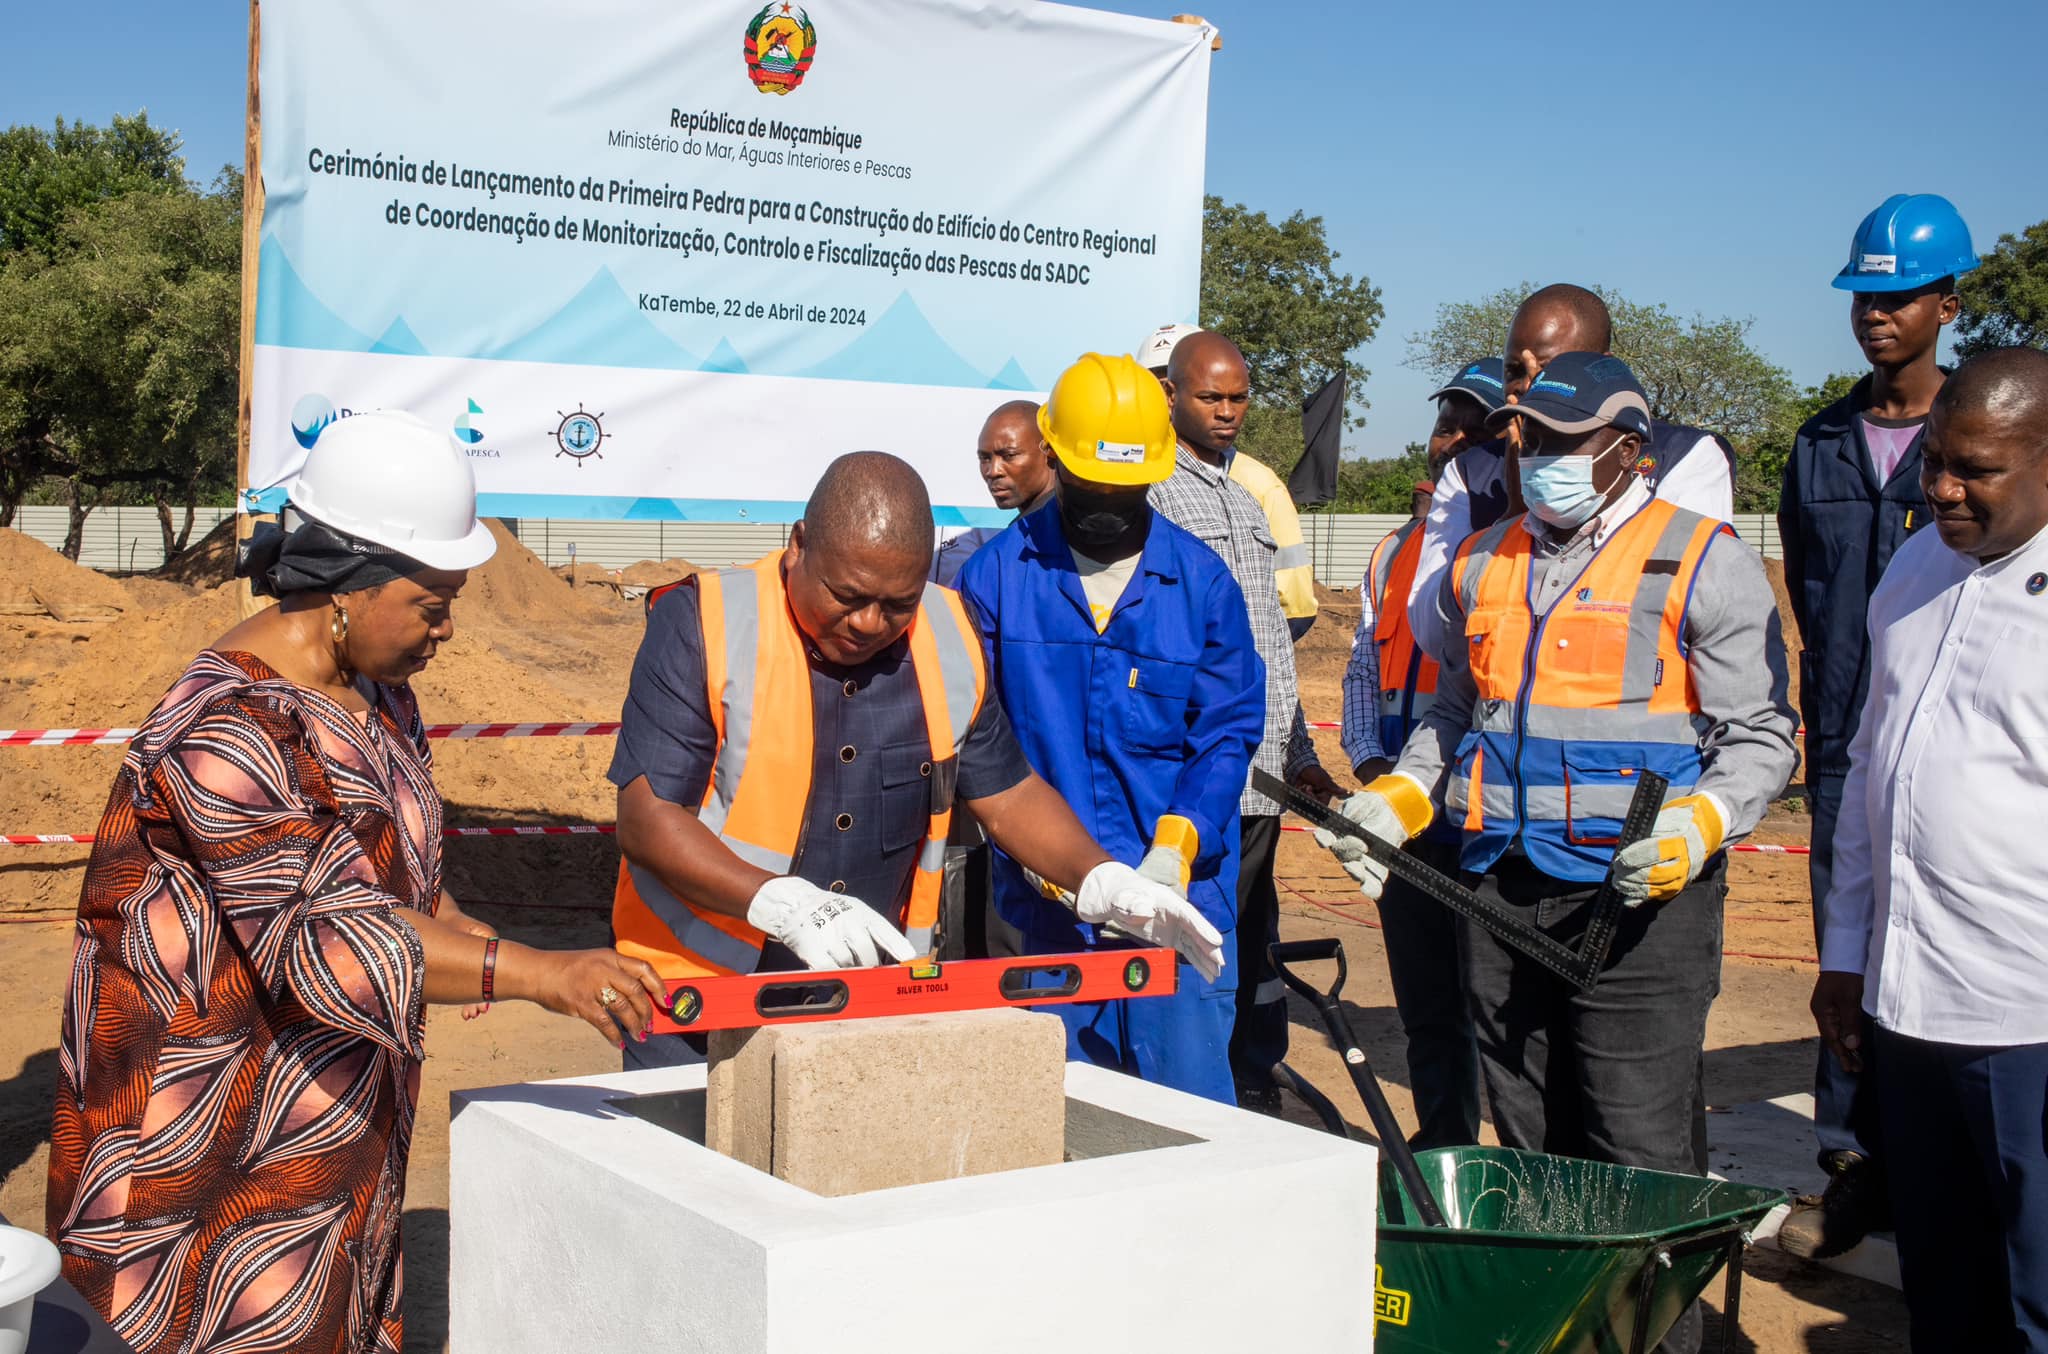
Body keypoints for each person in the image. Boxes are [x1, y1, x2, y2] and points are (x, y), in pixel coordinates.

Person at [46, 411, 668, 1354]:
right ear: (348, 586)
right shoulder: (230, 730)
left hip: (325, 1126)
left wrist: (463, 934)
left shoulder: (380, 697)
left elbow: (404, 875)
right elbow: (325, 943)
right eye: (432, 603)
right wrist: (539, 972)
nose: (447, 629)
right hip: (201, 1154)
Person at [1322, 354, 1796, 1354]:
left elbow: (1760, 733)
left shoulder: (1699, 558)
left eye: (1561, 441)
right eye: (1524, 436)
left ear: (1625, 451)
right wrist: (1402, 794)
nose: (1535, 455)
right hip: (1501, 898)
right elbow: (1456, 709)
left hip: (1640, 914)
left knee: (1634, 1160)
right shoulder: (1479, 561)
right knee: (1531, 1151)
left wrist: (1699, 825)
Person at [610, 450, 1226, 1068]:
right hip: (695, 999)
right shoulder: (704, 621)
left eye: (897, 603)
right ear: (798, 546)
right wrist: (785, 905)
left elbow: (1008, 793)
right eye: (846, 596)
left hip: (867, 999)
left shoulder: (948, 631)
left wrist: (1100, 877)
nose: (870, 623)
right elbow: (648, 817)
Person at [1810, 347, 2048, 1350]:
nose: (1941, 488)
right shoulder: (1912, 568)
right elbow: (1870, 768)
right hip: (1906, 1007)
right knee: (1941, 1283)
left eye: (1974, 470)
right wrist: (1845, 952)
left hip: (2027, 1018)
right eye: (1935, 462)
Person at [957, 353, 1265, 1100]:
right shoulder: (995, 579)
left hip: (1176, 907)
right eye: (1092, 480)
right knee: (1059, 1125)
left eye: (1125, 487)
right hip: (1048, 911)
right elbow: (975, 734)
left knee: (1188, 1126)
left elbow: (1225, 731)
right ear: (1055, 456)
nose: (1106, 500)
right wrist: (1046, 864)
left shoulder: (1200, 584)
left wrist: (1179, 842)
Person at [1776, 192, 1979, 1261]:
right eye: (1862, 296)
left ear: (1946, 303)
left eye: (1897, 296)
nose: (1875, 315)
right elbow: (1808, 597)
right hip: (1845, 743)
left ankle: (1949, 1157)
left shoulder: (1981, 438)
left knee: (1953, 953)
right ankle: (1852, 1166)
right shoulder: (1816, 443)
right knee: (1846, 955)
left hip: (1967, 752)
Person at [1150, 330, 1340, 1112]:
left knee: (1248, 937)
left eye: (1238, 399)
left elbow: (1269, 641)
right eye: (1210, 397)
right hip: (1202, 774)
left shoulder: (1242, 493)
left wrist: (1299, 753)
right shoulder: (1155, 492)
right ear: (1171, 397)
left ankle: (1248, 1083)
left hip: (1263, 775)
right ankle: (1189, 1101)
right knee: (1192, 946)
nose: (1227, 412)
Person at [1337, 363, 1506, 1148]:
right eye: (1449, 424)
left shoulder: (1518, 556)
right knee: (1429, 1007)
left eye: (1476, 427)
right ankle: (1445, 1160)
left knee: (1504, 1012)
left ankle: (1529, 1174)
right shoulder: (1391, 555)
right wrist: (1374, 768)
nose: (1457, 441)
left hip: (1485, 814)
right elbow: (1364, 667)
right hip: (1406, 813)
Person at [1406, 285, 1737, 662]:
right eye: (1514, 372)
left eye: (1550, 370)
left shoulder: (1684, 456)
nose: (1529, 388)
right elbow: (1433, 635)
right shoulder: (1470, 471)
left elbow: (1683, 614)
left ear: (1604, 363)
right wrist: (1512, 526)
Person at [1138, 322, 1319, 638]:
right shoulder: (1134, 480)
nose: (1225, 411)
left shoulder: (1258, 485)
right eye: (1156, 385)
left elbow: (1293, 609)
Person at [928, 399, 1054, 587]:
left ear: (1049, 452)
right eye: (984, 458)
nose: (993, 471)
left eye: (1009, 456)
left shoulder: (1054, 533)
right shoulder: (1020, 536)